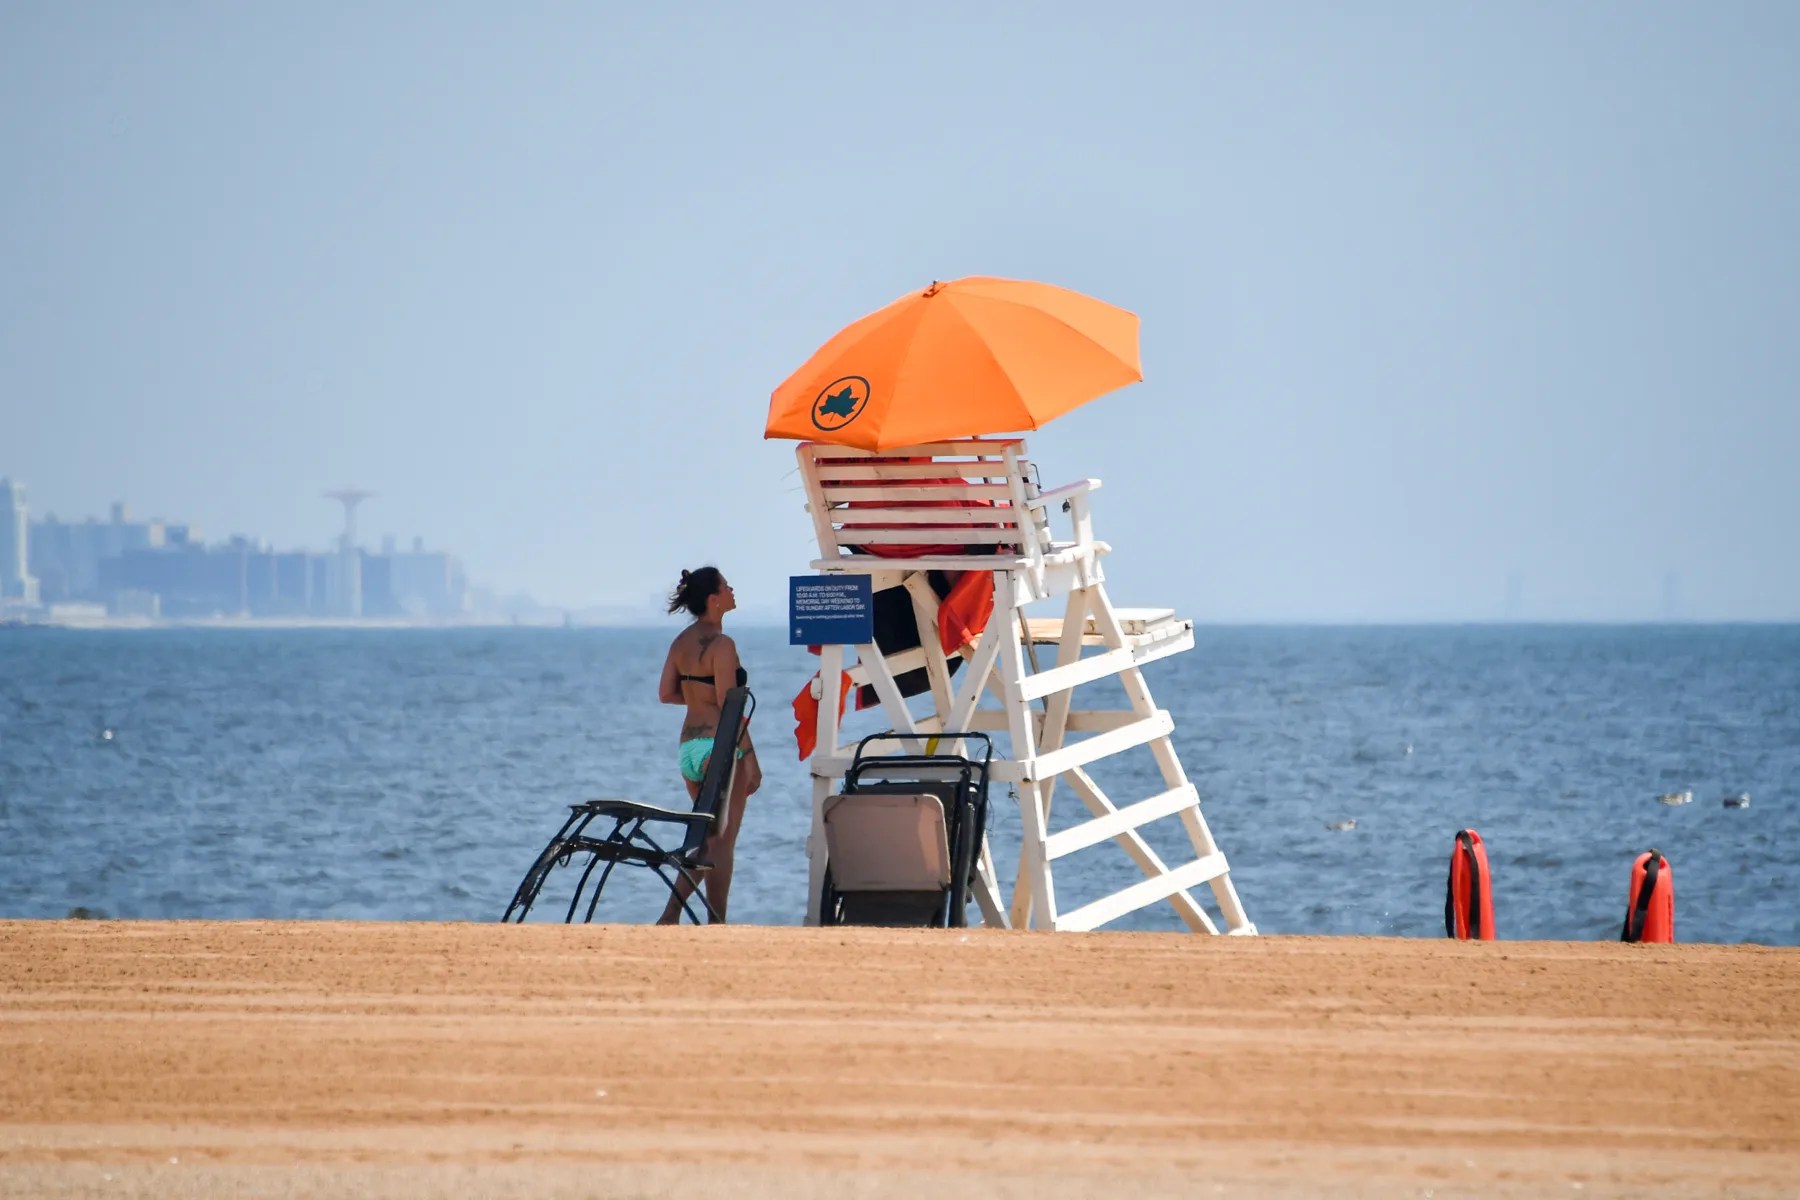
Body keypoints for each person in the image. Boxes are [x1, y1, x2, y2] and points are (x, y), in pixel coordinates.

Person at [655, 566, 760, 923]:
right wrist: (750, 756)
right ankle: (709, 921)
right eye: (726, 586)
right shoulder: (723, 645)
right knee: (723, 842)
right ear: (714, 601)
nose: (732, 590)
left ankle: (680, 916)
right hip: (719, 746)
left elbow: (666, 694)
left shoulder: (680, 643)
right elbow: (728, 705)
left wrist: (697, 697)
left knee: (711, 838)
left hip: (688, 750)